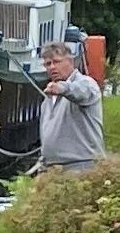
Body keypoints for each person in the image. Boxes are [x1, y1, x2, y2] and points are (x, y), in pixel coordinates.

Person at [36, 40, 106, 171]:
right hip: (52, 168)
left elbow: (80, 93)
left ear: (70, 61)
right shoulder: (47, 100)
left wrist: (63, 88)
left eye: (56, 62)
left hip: (83, 166)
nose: (52, 67)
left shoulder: (87, 84)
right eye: (47, 64)